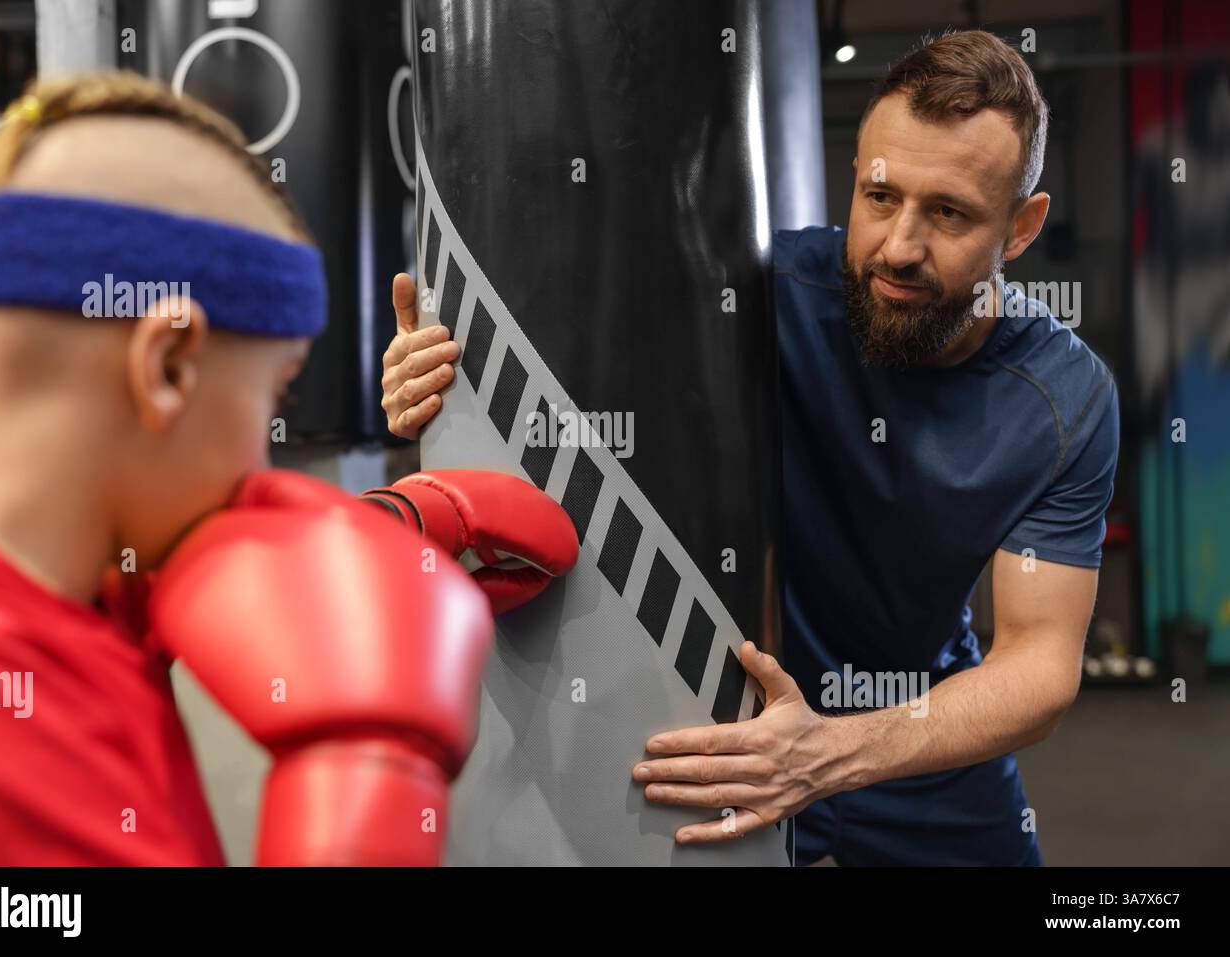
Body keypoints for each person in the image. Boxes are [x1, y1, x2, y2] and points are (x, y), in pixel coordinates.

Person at [380, 29, 1119, 866]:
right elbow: (572, 378)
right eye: (881, 197)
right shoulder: (755, 296)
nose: (900, 247)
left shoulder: (1065, 398)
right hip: (733, 721)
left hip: (919, 725)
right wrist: (445, 391)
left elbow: (1039, 666)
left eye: (948, 213)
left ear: (1021, 228)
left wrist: (832, 752)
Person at [0, 72, 576, 866]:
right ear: (168, 365)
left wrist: (387, 527)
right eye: (273, 392)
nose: (255, 466)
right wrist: (364, 777)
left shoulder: (62, 608)